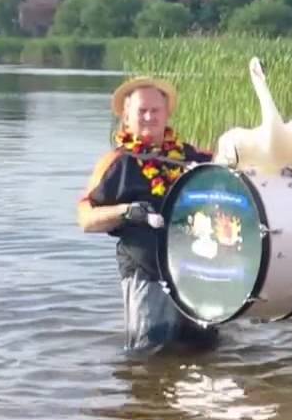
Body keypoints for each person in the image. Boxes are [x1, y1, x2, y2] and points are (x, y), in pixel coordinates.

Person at [77, 76, 214, 353]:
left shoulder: (192, 158)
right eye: (141, 111)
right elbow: (85, 219)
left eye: (155, 110)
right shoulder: (117, 163)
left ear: (167, 114)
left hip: (196, 276)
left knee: (205, 355)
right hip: (146, 275)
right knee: (148, 358)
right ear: (126, 117)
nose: (149, 117)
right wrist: (126, 211)